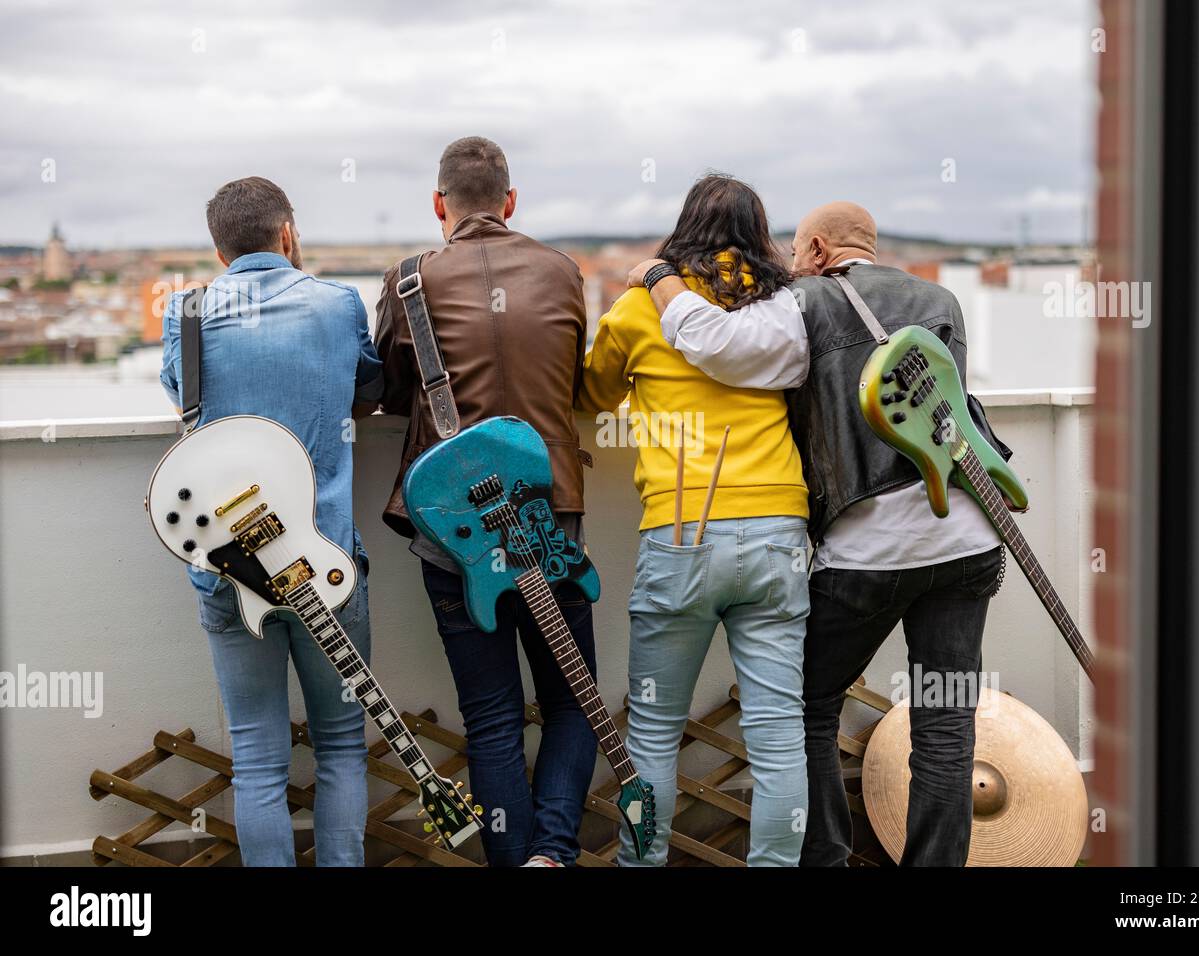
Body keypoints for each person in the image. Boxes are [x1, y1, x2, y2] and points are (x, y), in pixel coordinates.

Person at [631, 200, 1015, 867]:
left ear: (813, 248)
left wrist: (659, 276)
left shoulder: (804, 302)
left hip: (871, 547)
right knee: (945, 722)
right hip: (969, 538)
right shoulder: (941, 298)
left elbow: (721, 348)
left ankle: (826, 858)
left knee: (805, 710)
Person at [374, 136, 596, 868]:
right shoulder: (564, 272)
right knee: (570, 702)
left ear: (439, 204)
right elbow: (568, 383)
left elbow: (392, 395)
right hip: (550, 513)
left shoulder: (409, 280)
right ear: (511, 201)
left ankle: (513, 859)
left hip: (453, 528)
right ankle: (552, 855)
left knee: (492, 716)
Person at [578, 173, 811, 867]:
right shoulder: (778, 300)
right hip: (778, 529)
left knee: (651, 732)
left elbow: (591, 396)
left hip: (683, 532)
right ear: (758, 233)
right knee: (778, 733)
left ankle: (640, 861)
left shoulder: (640, 306)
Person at [160, 176, 383, 866]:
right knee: (342, 742)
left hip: (228, 568)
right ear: (288, 232)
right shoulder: (338, 303)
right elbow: (368, 388)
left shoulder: (186, 313)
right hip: (328, 564)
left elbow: (182, 398)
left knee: (257, 756)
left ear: (219, 248)